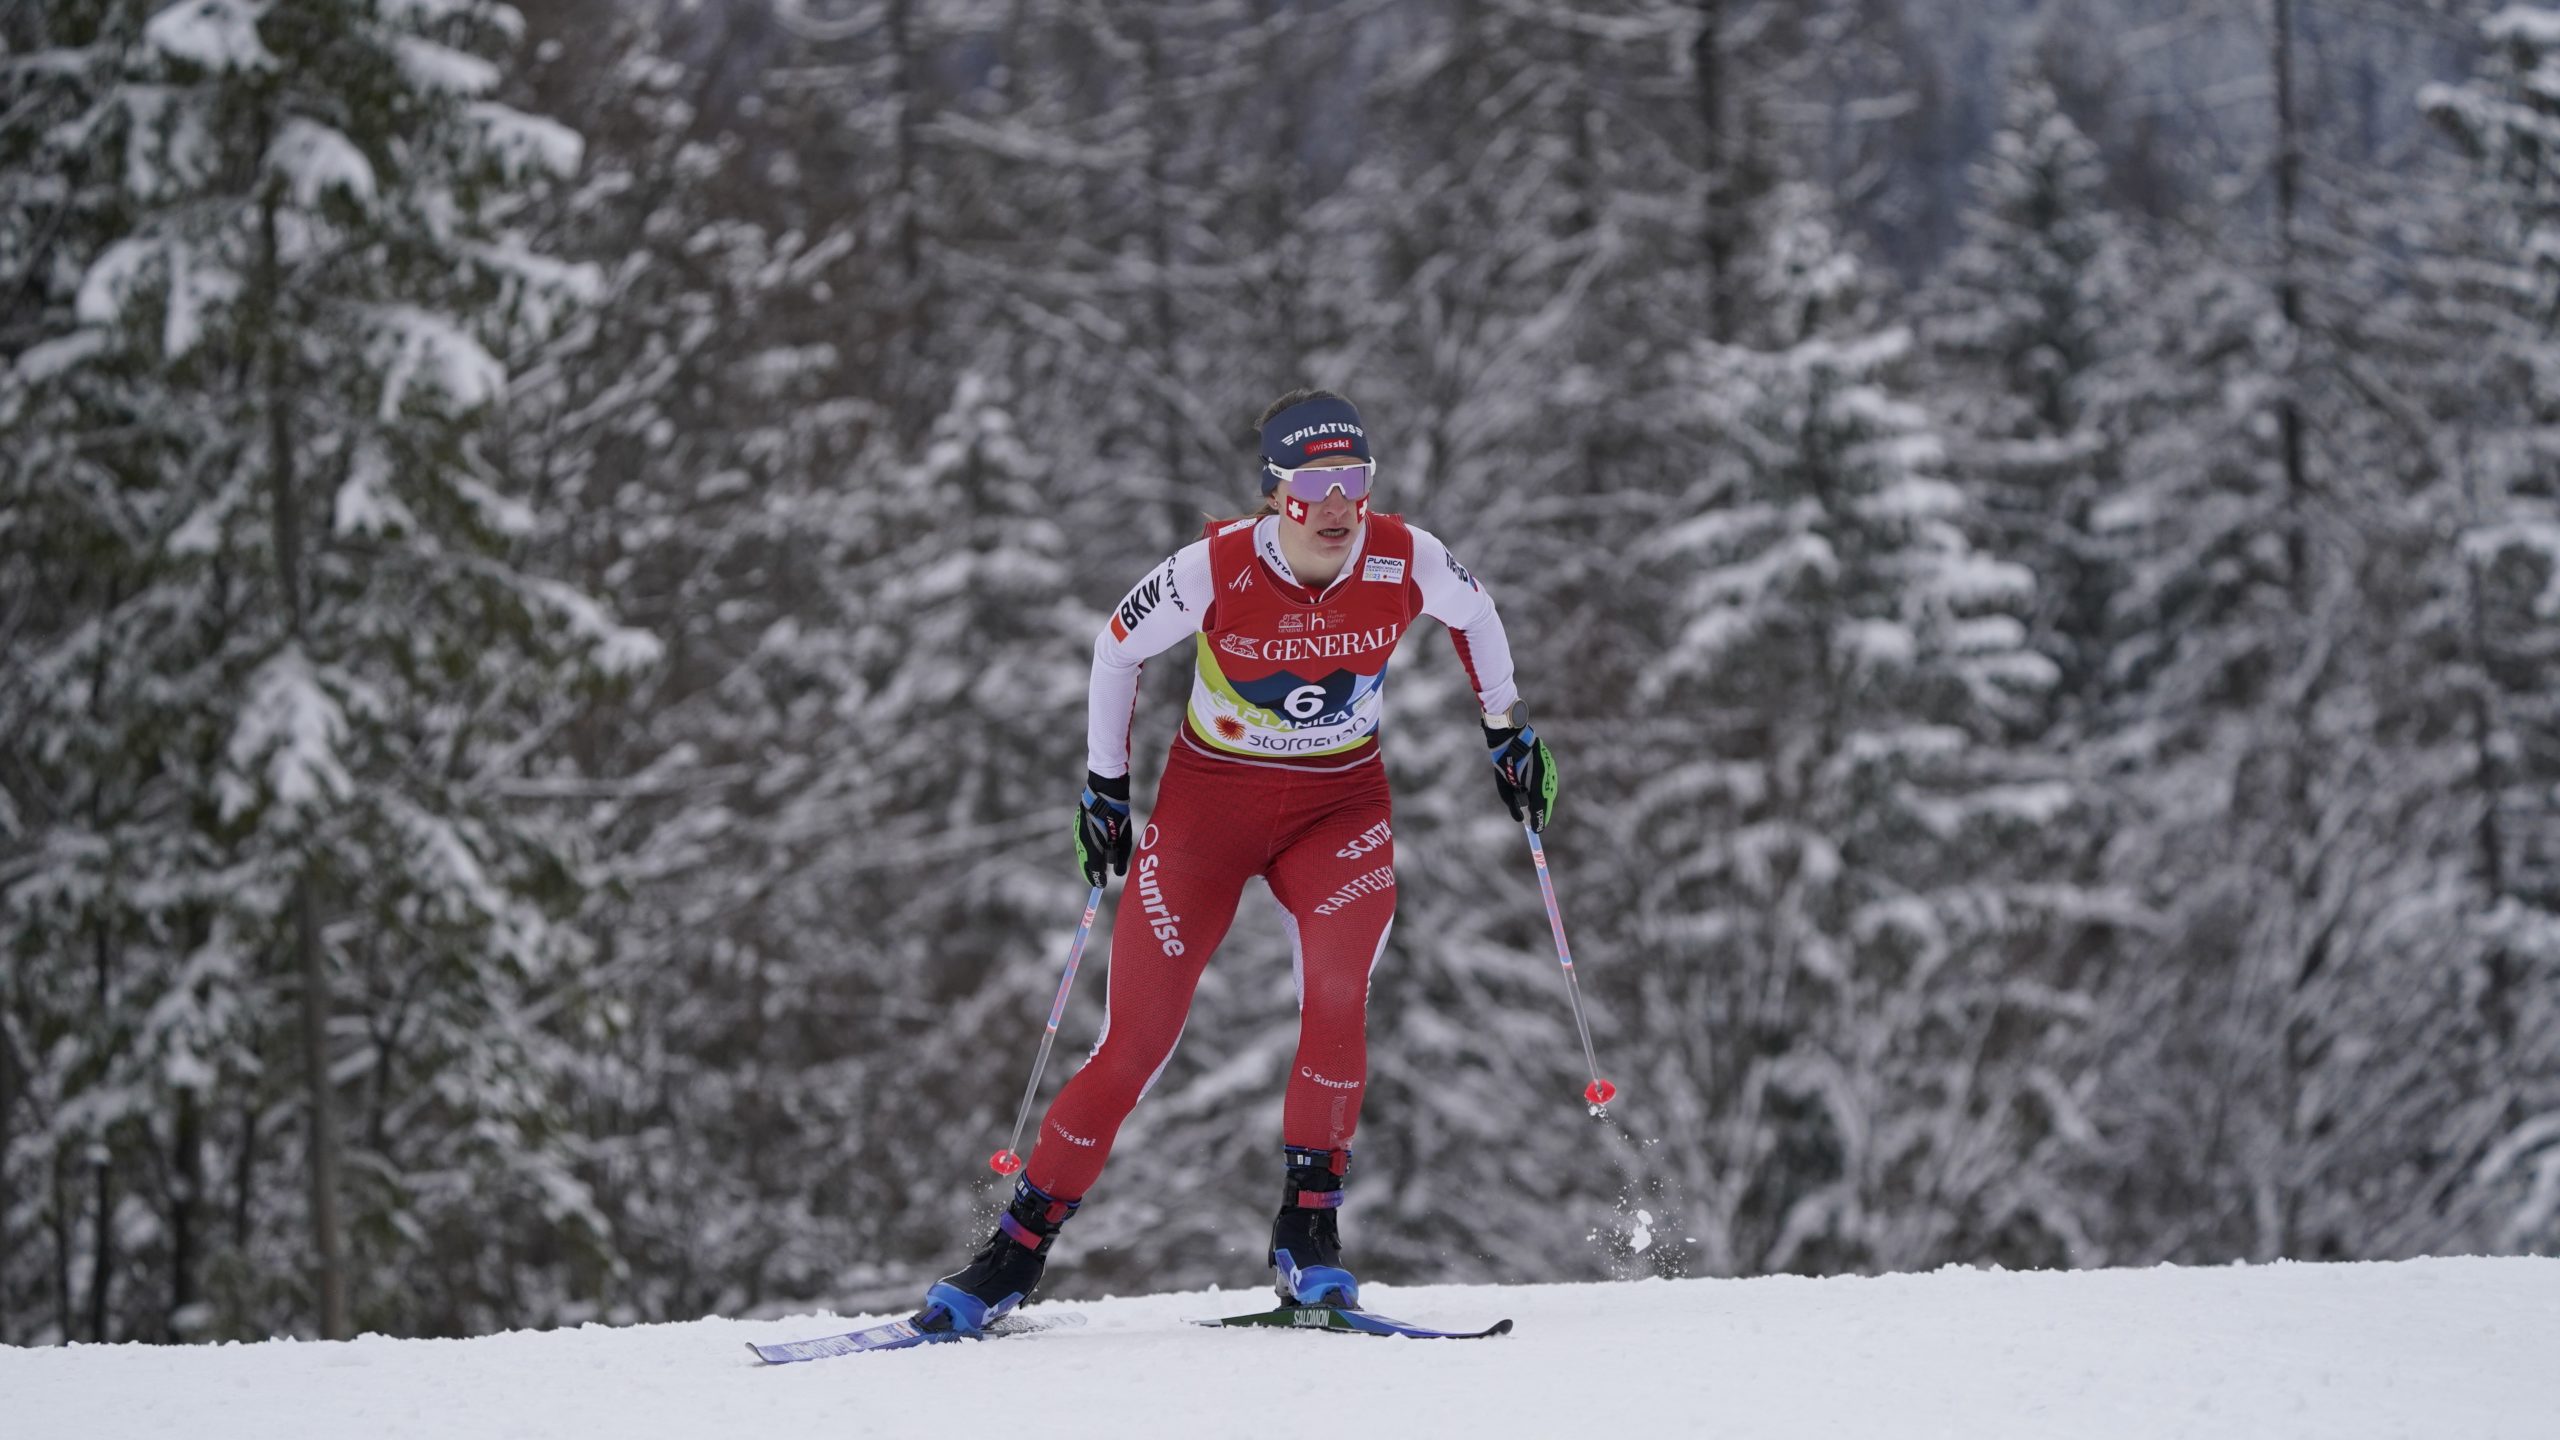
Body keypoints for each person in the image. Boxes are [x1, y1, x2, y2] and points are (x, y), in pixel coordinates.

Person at [914, 388, 1559, 1334]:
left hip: (1339, 810)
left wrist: (1506, 728)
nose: (1337, 505)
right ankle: (1012, 1255)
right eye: (1312, 486)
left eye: (1354, 481)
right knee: (1133, 1042)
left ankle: (1309, 1238)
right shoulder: (1210, 569)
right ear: (1272, 496)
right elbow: (1115, 649)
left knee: (1339, 996)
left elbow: (1478, 612)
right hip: (1209, 813)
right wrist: (1105, 787)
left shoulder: (1404, 554)